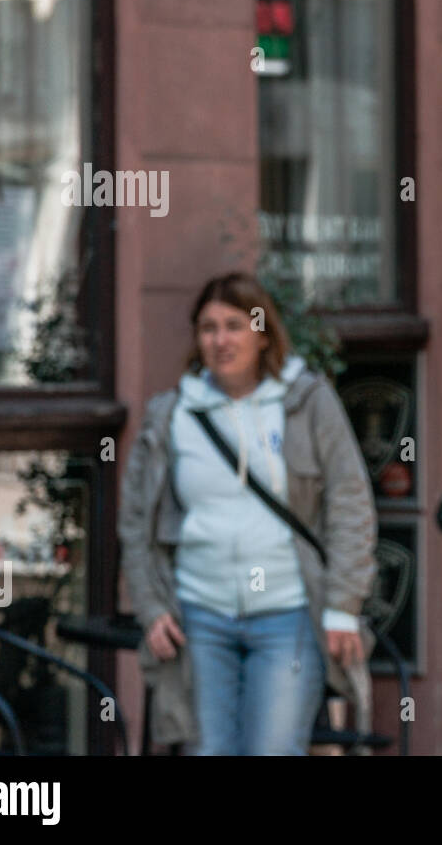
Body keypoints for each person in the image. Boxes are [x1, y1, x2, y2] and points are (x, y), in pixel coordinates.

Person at [118, 272, 377, 754]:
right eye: (209, 328)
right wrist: (150, 607)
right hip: (200, 615)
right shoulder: (172, 415)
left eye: (235, 326)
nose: (221, 340)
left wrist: (343, 605)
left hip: (287, 614)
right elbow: (135, 523)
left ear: (262, 333)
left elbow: (350, 502)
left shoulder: (306, 402)